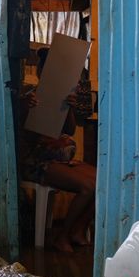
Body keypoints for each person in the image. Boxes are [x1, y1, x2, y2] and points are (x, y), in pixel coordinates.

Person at [18, 48, 96, 252]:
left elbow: (69, 129)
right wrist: (27, 108)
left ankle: (78, 230)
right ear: (41, 72)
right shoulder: (28, 95)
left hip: (53, 158)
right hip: (34, 161)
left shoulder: (63, 96)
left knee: (102, 182)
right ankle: (61, 236)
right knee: (87, 186)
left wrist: (69, 107)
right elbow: (26, 136)